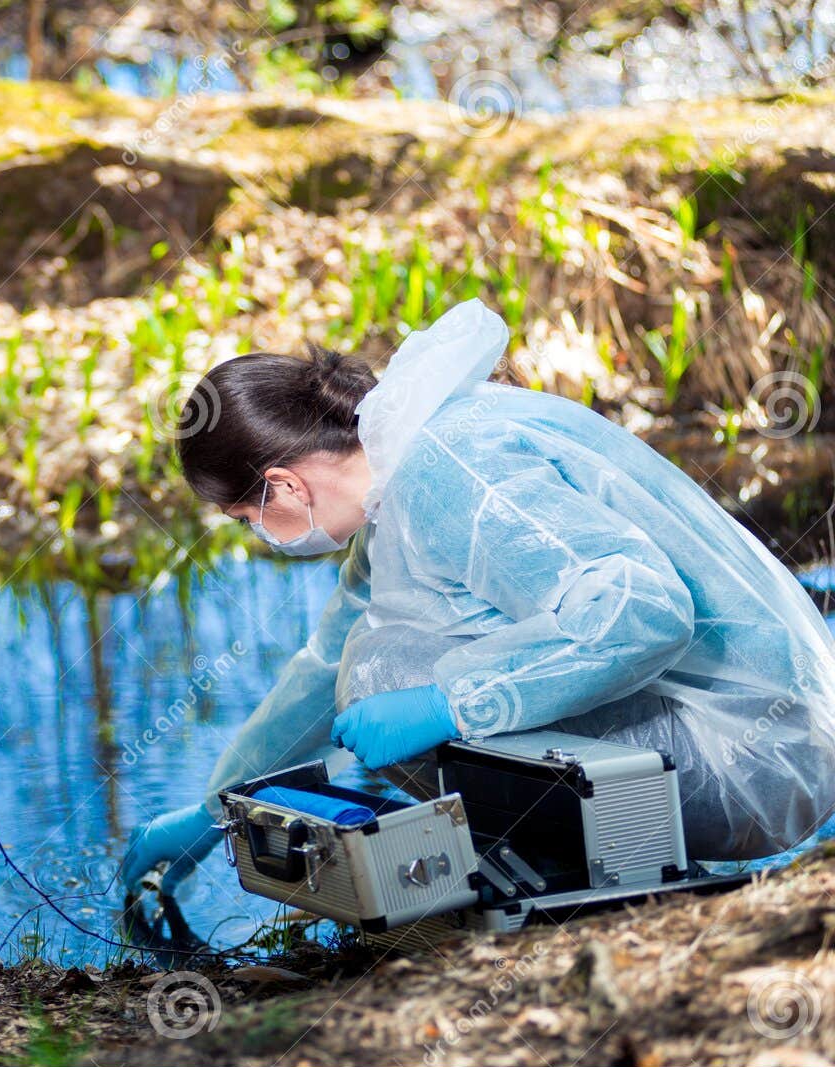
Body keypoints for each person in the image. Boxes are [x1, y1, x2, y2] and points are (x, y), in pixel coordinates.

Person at [122, 298, 835, 899]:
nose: (263, 538)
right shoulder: (398, 477)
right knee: (365, 665)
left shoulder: (454, 469)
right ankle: (565, 863)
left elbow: (641, 612)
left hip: (752, 753)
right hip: (731, 721)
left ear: (284, 486)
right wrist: (218, 808)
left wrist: (451, 704)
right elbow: (324, 661)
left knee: (384, 677)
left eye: (250, 521)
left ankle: (598, 875)